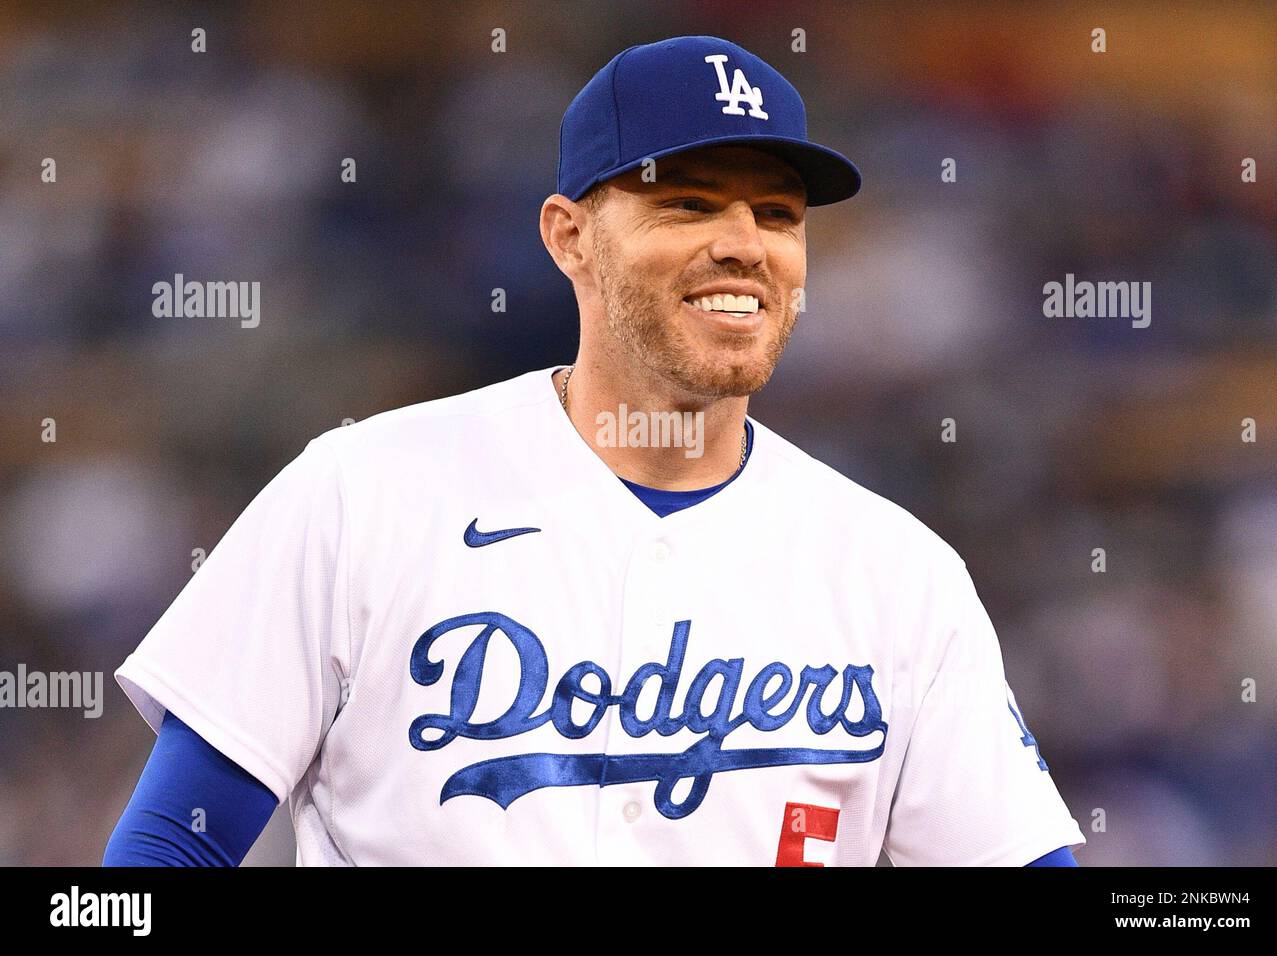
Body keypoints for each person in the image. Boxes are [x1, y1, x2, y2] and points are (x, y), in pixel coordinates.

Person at [104, 35, 1084, 866]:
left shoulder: (894, 572)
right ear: (570, 236)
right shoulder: (363, 492)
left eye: (777, 214)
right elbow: (164, 854)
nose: (745, 243)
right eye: (690, 203)